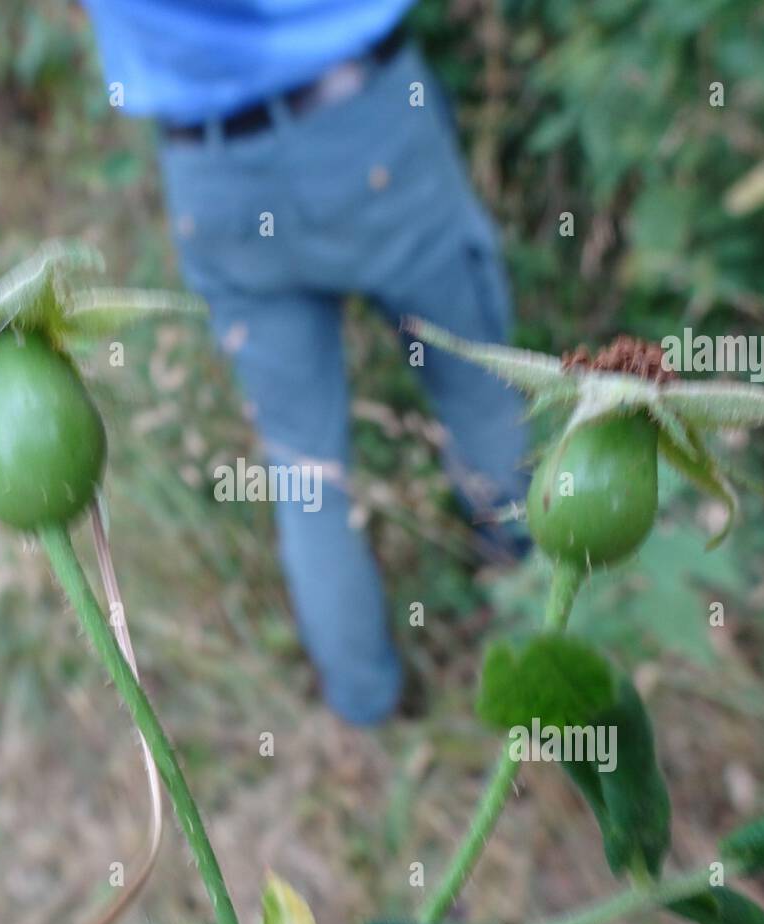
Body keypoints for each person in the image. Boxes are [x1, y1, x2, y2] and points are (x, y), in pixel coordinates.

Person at [81, 2, 529, 725]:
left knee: (304, 468)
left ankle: (366, 709)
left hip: (212, 171)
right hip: (366, 119)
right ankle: (541, 620)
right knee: (483, 389)